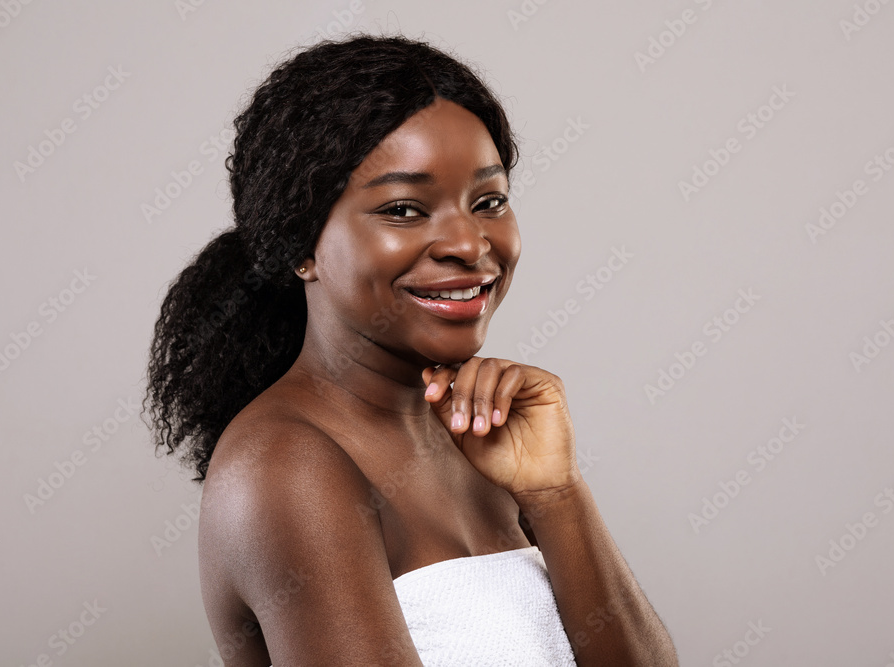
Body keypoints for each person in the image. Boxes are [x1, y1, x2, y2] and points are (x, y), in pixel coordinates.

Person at [144, 34, 678, 666]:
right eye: (403, 209)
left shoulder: (483, 437)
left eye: (489, 201)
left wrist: (557, 494)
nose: (469, 243)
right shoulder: (284, 466)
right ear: (300, 246)